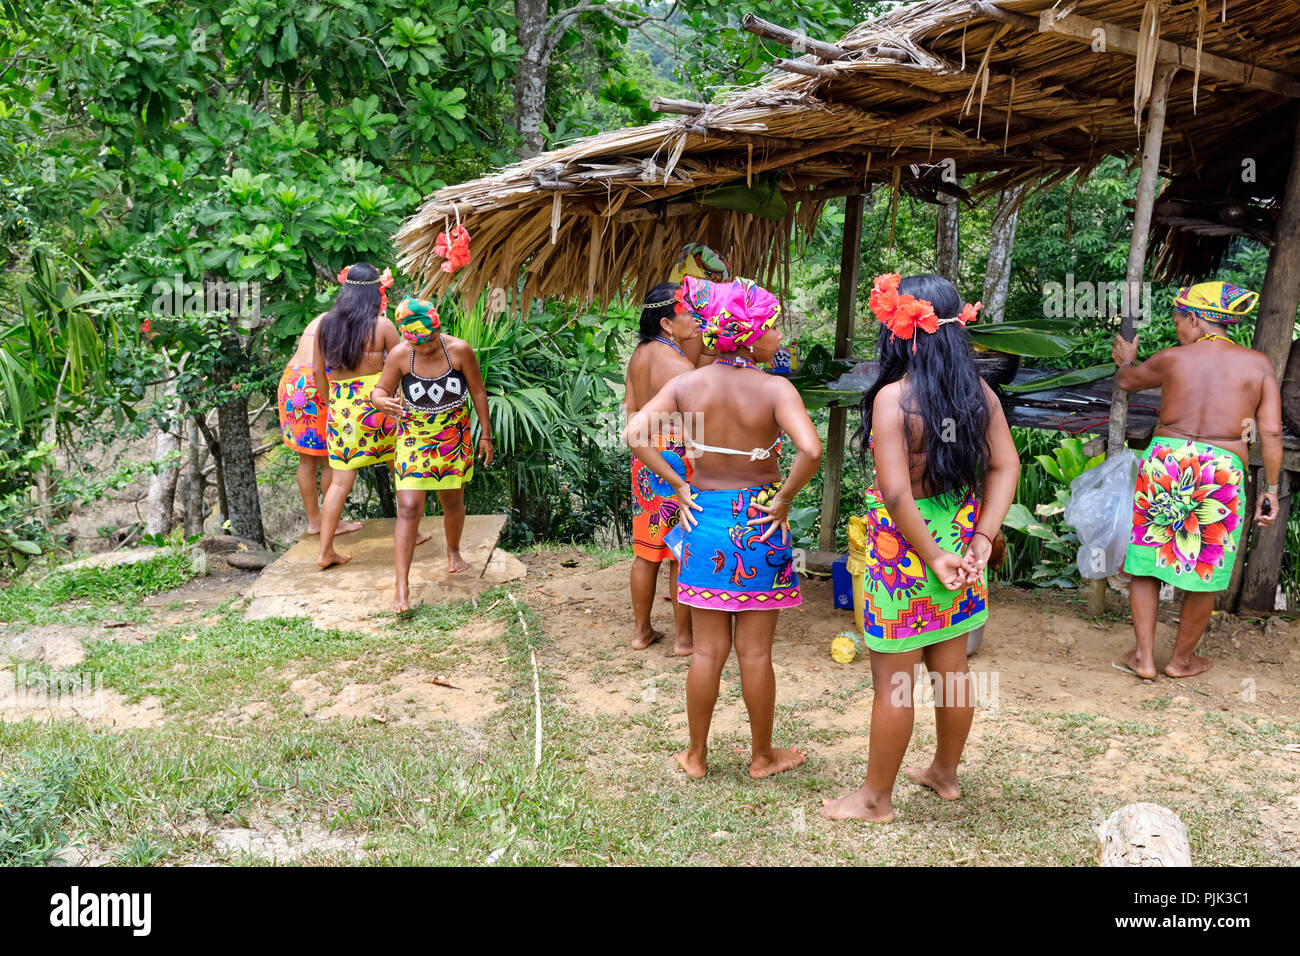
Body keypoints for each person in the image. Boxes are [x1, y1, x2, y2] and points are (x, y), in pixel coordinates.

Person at [822, 273, 1019, 823]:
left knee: (895, 683)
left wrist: (932, 556)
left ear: (899, 332)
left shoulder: (893, 400)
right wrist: (979, 538)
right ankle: (945, 773)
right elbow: (1007, 465)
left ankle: (874, 800)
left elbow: (895, 492)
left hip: (905, 548)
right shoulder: (978, 395)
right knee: (951, 666)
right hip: (959, 535)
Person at [627, 275, 822, 780]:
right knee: (755, 652)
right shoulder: (776, 387)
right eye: (775, 328)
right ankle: (762, 756)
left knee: (708, 651)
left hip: (704, 522)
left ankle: (695, 756)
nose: (780, 337)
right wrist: (782, 499)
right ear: (753, 334)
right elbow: (810, 449)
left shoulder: (687, 383)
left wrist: (679, 484)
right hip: (762, 523)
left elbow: (634, 432)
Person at [1113, 281, 1282, 679]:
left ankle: (1144, 658)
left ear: (1194, 318)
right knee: (1206, 566)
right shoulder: (1258, 365)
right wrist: (1270, 489)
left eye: (1178, 322)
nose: (1177, 331)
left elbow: (1128, 381)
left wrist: (1126, 360)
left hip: (1168, 460)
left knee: (1146, 562)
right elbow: (1270, 433)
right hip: (1221, 467)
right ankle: (1180, 661)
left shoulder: (1173, 358)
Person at [371, 298, 493, 610]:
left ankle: (453, 550)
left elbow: (478, 391)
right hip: (414, 440)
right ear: (407, 339)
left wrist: (486, 436)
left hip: (453, 438)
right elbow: (380, 391)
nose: (426, 348)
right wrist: (380, 401)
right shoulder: (400, 356)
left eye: (430, 340)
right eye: (419, 343)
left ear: (438, 330)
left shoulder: (460, 350)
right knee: (409, 508)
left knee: (451, 501)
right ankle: (402, 587)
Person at [625, 283, 701, 655]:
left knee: (646, 549)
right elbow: (693, 422)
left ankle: (641, 633)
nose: (697, 320)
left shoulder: (640, 355)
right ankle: (685, 639)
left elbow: (629, 410)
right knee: (677, 550)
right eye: (691, 313)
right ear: (668, 323)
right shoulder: (677, 364)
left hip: (643, 459)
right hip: (674, 458)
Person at [313, 263, 400, 569]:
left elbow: (316, 371)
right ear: (377, 292)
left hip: (343, 411)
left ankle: (325, 551)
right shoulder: (383, 327)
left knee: (339, 483)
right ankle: (410, 533)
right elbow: (403, 363)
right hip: (381, 407)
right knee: (397, 466)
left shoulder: (325, 325)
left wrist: (331, 403)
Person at [276, 318, 360, 537]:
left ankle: (315, 521)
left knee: (306, 461)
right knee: (330, 459)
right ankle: (334, 522)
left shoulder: (321, 318)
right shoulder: (349, 322)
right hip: (315, 384)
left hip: (292, 383)